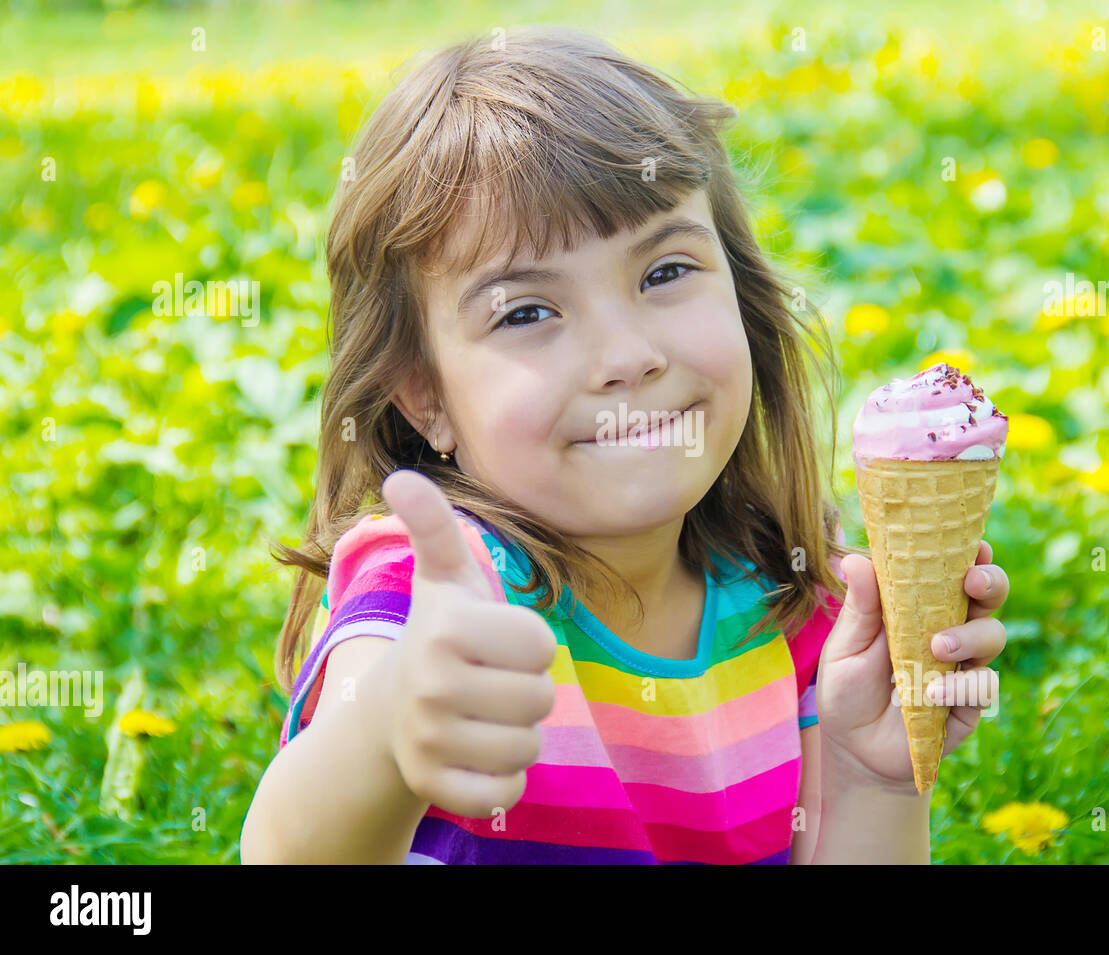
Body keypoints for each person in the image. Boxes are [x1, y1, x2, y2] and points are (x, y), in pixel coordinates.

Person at [240, 25, 1010, 864]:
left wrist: (876, 781)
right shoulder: (438, 590)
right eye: (527, 312)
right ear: (425, 398)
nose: (627, 356)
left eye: (664, 272)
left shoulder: (792, 599)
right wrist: (391, 726)